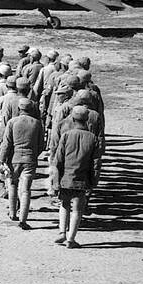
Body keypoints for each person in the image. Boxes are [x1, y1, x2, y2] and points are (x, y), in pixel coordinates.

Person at [50, 106, 99, 249]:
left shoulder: (66, 135)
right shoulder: (92, 138)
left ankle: (61, 232)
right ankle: (71, 239)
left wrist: (55, 180)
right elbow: (96, 163)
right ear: (87, 120)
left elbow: (58, 160)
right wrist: (94, 181)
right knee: (77, 210)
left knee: (64, 205)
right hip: (82, 180)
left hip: (66, 177)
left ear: (72, 119)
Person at [0, 98, 44, 228]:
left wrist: (2, 159)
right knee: (26, 190)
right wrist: (33, 155)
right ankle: (23, 219)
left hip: (14, 159)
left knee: (12, 185)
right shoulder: (37, 123)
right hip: (30, 160)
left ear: (19, 109)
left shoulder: (12, 122)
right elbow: (41, 145)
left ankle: (12, 213)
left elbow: (6, 143)